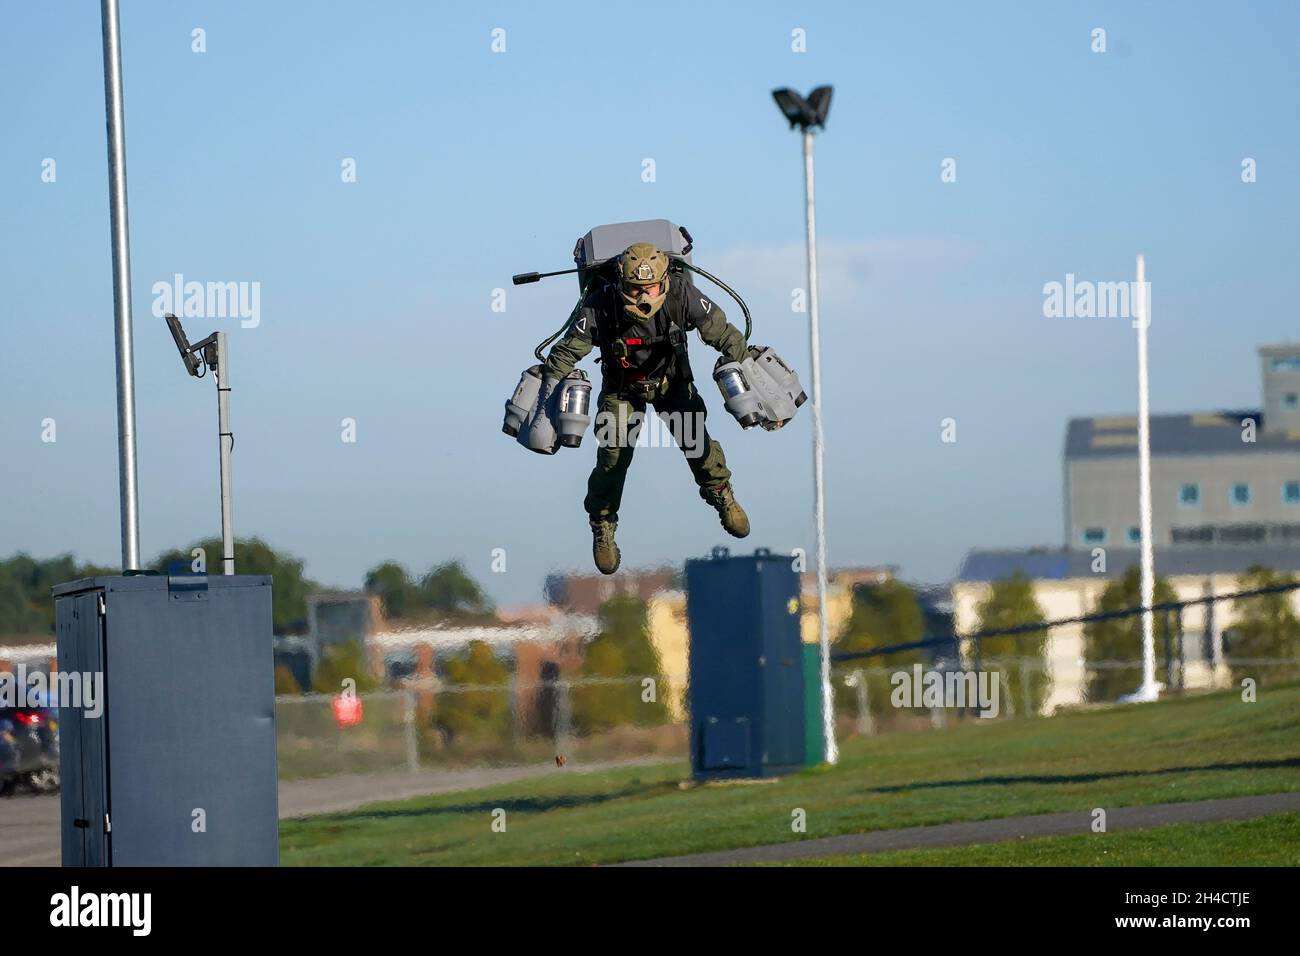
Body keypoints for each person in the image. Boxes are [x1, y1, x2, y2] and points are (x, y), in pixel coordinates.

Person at [543, 242, 751, 574]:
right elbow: (568, 350)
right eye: (635, 288)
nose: (643, 295)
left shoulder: (682, 294)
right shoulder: (601, 303)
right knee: (612, 458)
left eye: (650, 287)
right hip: (622, 390)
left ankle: (721, 494)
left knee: (697, 445)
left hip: (672, 383)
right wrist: (546, 387)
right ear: (621, 283)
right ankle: (602, 523)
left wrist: (748, 367)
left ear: (664, 279)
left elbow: (723, 333)